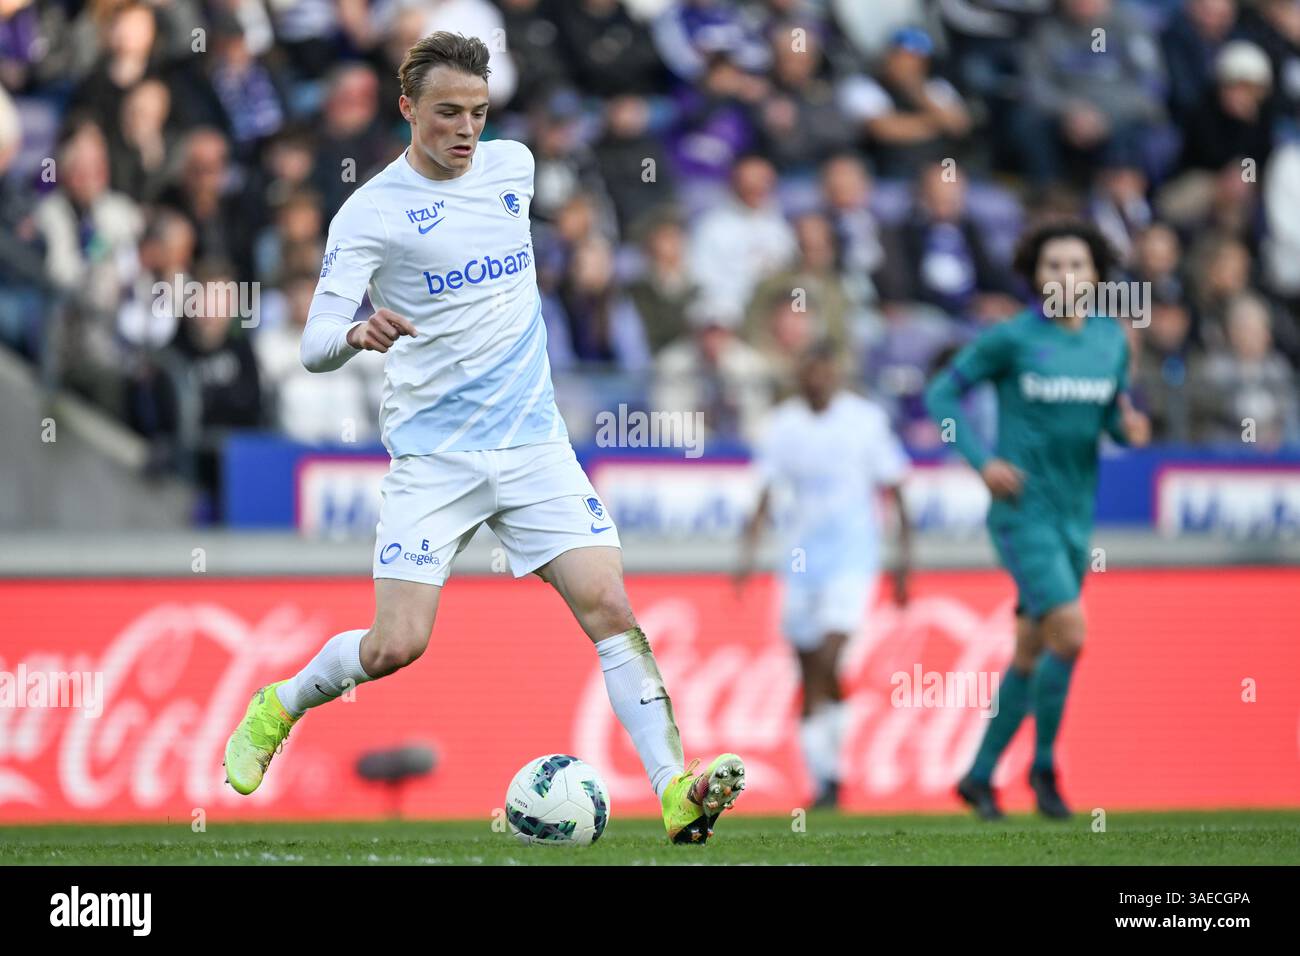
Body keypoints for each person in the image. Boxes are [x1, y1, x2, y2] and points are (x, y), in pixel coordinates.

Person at [222, 33, 743, 846]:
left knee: (609, 606)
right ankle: (279, 704)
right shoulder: (372, 212)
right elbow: (312, 341)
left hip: (534, 444)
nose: (465, 130)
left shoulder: (515, 168)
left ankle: (675, 789)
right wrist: (357, 334)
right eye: (446, 114)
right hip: (435, 459)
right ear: (407, 111)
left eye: (477, 113)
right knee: (396, 646)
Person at [925, 220, 1151, 820]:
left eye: (1076, 265)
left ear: (1097, 276)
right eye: (1052, 266)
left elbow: (1109, 419)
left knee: (1031, 649)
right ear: (1034, 276)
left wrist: (1126, 430)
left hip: (1078, 516)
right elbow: (940, 396)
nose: (1064, 276)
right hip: (1022, 515)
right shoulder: (1012, 338)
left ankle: (977, 777)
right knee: (1071, 633)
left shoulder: (1111, 342)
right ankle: (1045, 767)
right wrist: (981, 460)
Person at [737, 341, 912, 809]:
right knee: (809, 668)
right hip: (799, 564)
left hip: (853, 560)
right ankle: (827, 778)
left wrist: (903, 565)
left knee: (831, 656)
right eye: (808, 371)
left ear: (836, 373)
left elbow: (895, 489)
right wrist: (747, 556)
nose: (816, 380)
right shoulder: (783, 425)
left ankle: (830, 777)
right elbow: (766, 491)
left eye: (824, 371)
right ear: (800, 374)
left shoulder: (865, 421)